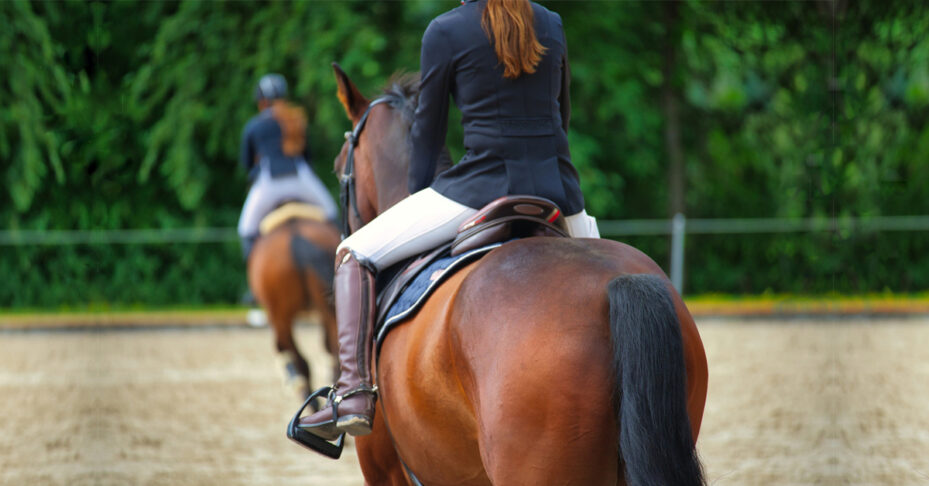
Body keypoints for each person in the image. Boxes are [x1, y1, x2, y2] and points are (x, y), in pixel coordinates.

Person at [299, 0, 599, 440]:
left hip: (479, 189)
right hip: (558, 192)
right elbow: (562, 115)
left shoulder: (446, 30)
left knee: (352, 253)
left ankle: (353, 394)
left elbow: (429, 133)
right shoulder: (551, 22)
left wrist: (415, 199)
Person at [237, 73, 339, 261]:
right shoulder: (296, 119)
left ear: (261, 102)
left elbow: (247, 164)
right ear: (284, 97)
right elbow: (308, 157)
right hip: (300, 179)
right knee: (332, 214)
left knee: (246, 229)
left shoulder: (253, 126)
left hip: (268, 184)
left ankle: (253, 285)